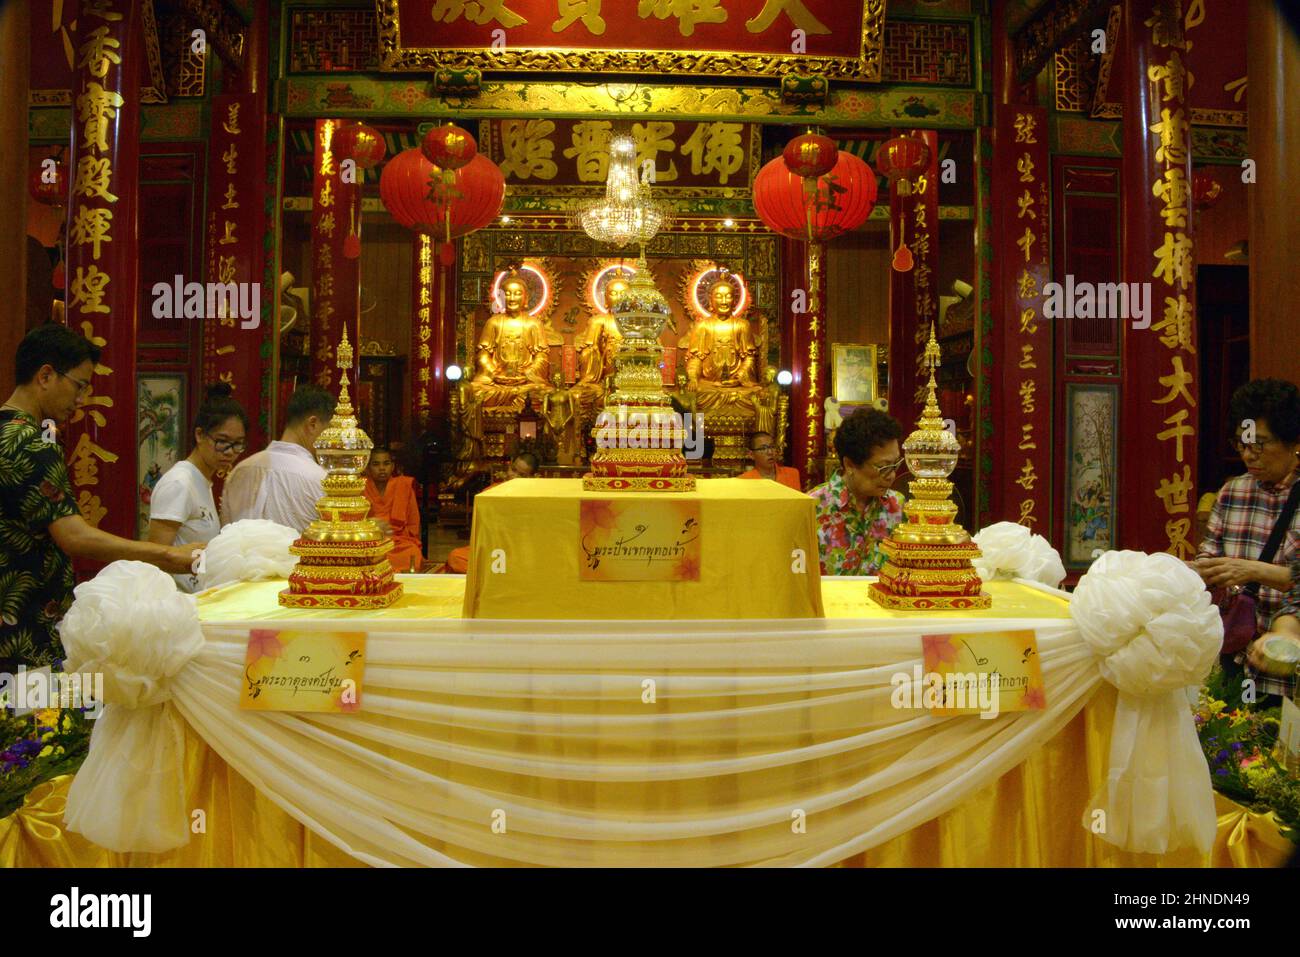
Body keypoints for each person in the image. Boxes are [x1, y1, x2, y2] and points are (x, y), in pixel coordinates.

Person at [0, 325, 199, 671]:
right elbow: (74, 537)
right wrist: (167, 555)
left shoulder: (10, 429)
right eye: (78, 385)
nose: (81, 400)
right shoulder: (32, 442)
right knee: (41, 721)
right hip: (25, 633)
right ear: (45, 375)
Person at [1194, 379, 1300, 698]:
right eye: (1242, 445)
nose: (1249, 456)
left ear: (1294, 442)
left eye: (1260, 444)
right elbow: (1208, 560)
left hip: (1289, 665)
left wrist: (1253, 571)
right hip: (1237, 659)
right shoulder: (1233, 492)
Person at [145, 383, 248, 592]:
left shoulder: (201, 481)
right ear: (199, 435)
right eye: (222, 442)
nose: (230, 452)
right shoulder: (180, 483)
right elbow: (155, 557)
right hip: (178, 600)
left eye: (238, 444)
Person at [220, 384, 336, 533]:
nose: (331, 440)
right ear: (312, 424)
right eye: (329, 430)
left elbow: (224, 536)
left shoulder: (239, 470)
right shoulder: (321, 479)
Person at [808, 407, 906, 576]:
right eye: (883, 467)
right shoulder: (813, 508)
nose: (892, 476)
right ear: (850, 465)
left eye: (896, 464)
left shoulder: (897, 506)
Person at [444, 452, 538, 574]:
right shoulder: (490, 493)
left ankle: (491, 573)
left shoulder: (535, 499)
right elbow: (480, 533)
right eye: (513, 470)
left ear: (532, 477)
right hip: (493, 550)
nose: (513, 476)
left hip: (519, 552)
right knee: (456, 557)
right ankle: (498, 572)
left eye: (521, 475)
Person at [364, 447, 424, 573]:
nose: (381, 468)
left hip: (398, 542)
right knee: (365, 555)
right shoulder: (360, 487)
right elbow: (351, 520)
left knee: (412, 553)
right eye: (376, 464)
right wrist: (369, 525)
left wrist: (412, 540)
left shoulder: (404, 486)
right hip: (371, 542)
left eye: (386, 463)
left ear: (392, 466)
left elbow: (414, 522)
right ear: (367, 467)